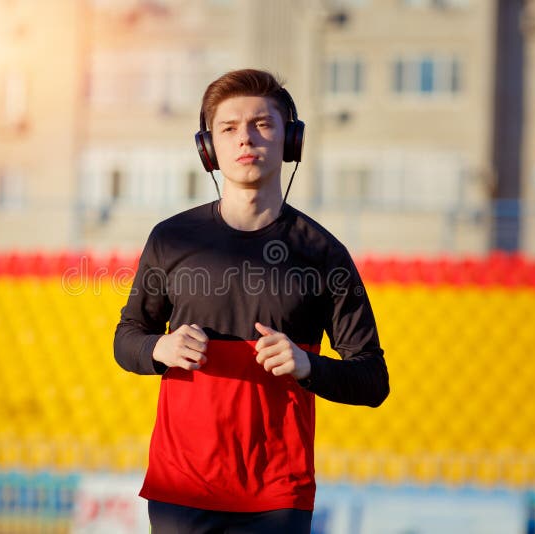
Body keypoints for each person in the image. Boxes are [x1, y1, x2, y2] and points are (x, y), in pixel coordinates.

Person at [113, 69, 389, 533]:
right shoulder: (171, 238)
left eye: (262, 124)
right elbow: (127, 338)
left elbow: (372, 379)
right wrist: (158, 349)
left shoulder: (324, 254)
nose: (246, 138)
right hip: (180, 490)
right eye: (229, 128)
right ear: (209, 149)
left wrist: (307, 366)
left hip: (277, 495)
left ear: (290, 140)